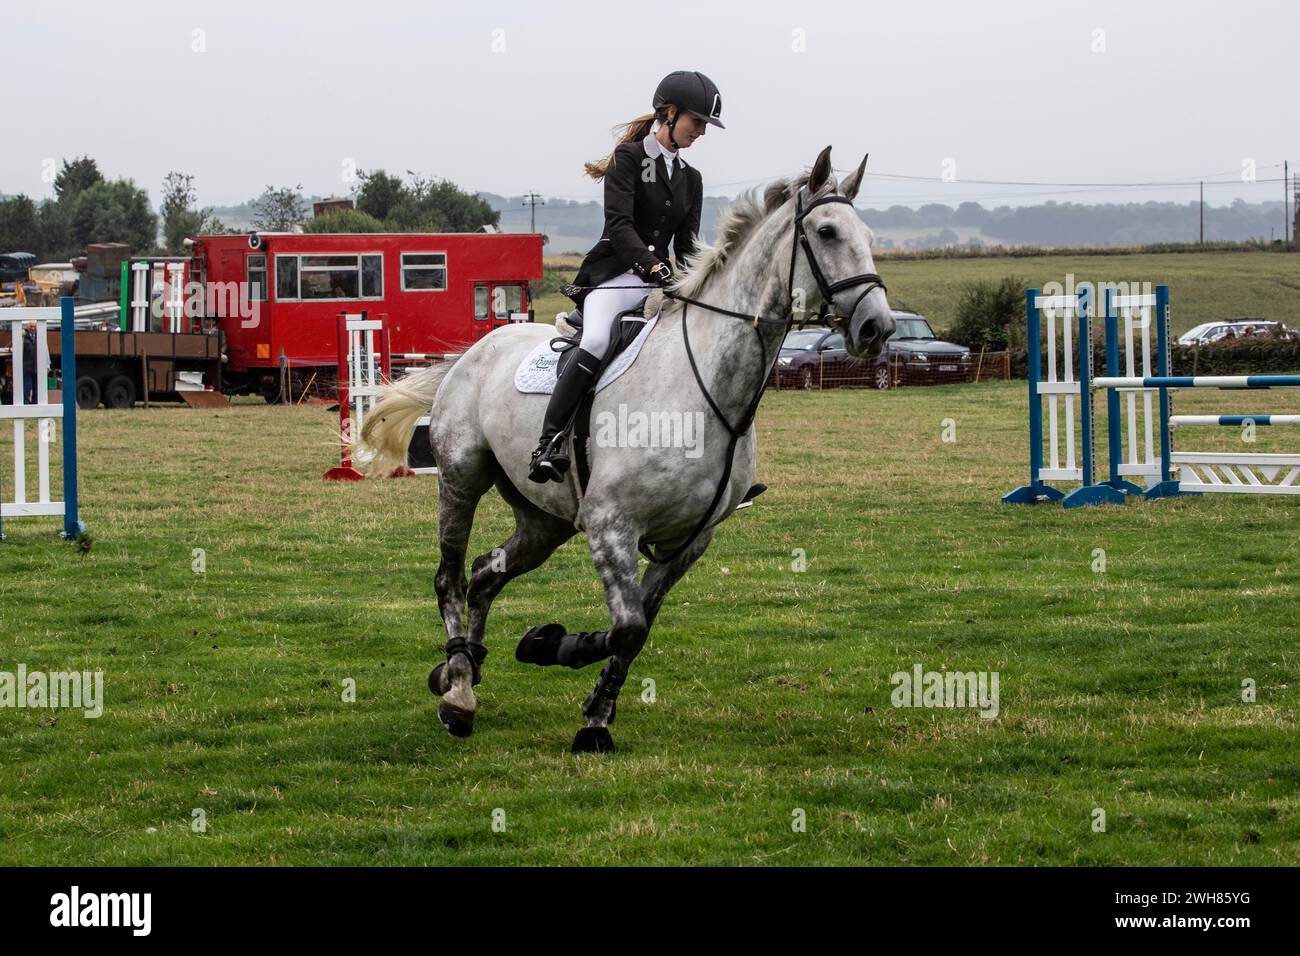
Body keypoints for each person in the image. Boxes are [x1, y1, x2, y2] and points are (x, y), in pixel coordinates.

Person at [527, 70, 723, 483]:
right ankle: (548, 442)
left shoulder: (691, 178)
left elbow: (686, 245)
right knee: (597, 340)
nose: (702, 132)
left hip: (661, 283)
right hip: (615, 278)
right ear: (670, 114)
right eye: (697, 121)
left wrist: (699, 281)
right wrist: (652, 266)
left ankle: (712, 471)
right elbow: (619, 226)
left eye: (705, 125)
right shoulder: (629, 159)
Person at [21, 322, 38, 405]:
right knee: (27, 386)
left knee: (36, 387)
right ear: (28, 327)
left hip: (36, 366)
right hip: (27, 366)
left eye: (34, 326)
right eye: (31, 326)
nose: (33, 328)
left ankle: (35, 404)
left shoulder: (39, 336)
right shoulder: (24, 336)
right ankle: (26, 403)